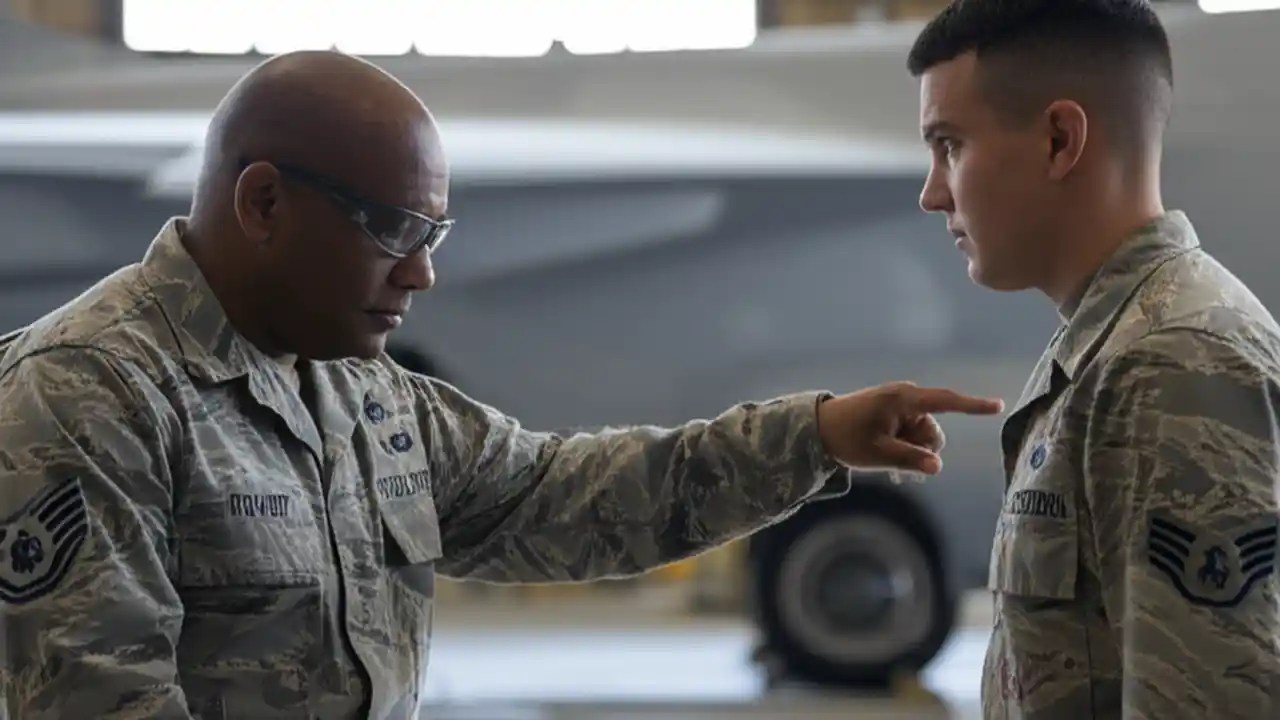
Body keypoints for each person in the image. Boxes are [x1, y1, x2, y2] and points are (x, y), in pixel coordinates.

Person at [0, 51, 1004, 719]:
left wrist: (813, 436)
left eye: (431, 237)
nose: (421, 275)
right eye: (393, 232)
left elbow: (561, 499)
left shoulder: (356, 392)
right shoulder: (87, 403)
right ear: (263, 201)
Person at [907, 1, 1280, 718]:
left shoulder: (1173, 365)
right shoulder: (1112, 346)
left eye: (950, 145)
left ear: (1059, 140)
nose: (933, 193)